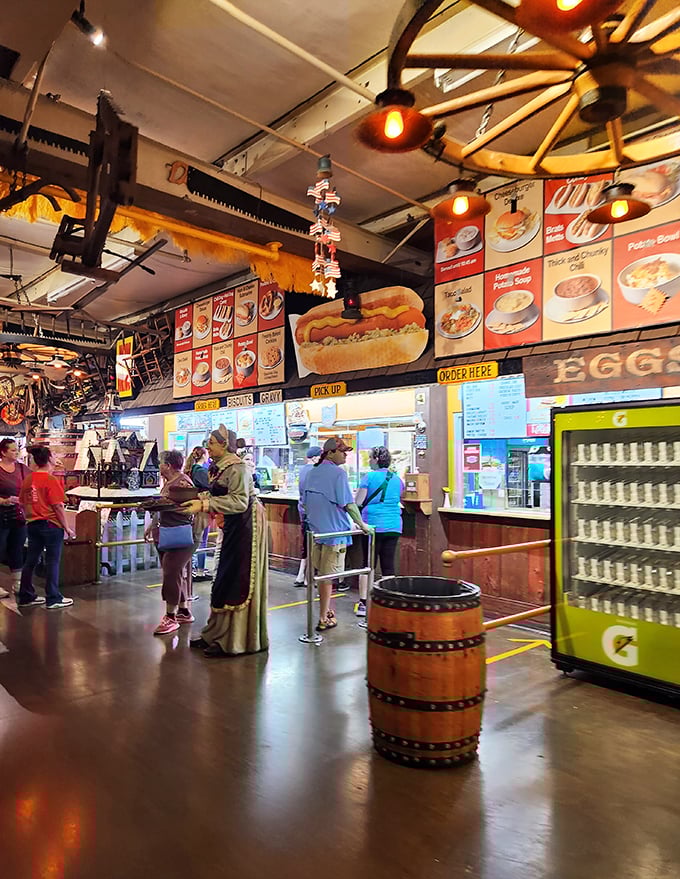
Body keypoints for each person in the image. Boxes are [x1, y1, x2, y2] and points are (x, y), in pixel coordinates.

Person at [181, 425, 268, 658]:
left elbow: (239, 502)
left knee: (238, 578)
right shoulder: (220, 467)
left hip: (246, 526)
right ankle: (216, 632)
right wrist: (197, 499)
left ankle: (234, 640)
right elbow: (218, 494)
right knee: (223, 576)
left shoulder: (237, 468)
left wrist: (204, 504)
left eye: (211, 442)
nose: (207, 446)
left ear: (224, 445)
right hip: (232, 525)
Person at [302, 436, 371, 632]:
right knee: (328, 578)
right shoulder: (338, 474)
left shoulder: (311, 472)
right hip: (334, 535)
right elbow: (349, 504)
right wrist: (362, 525)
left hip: (316, 533)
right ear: (331, 452)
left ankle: (327, 611)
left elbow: (305, 503)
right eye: (343, 452)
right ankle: (323, 617)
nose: (346, 456)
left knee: (321, 577)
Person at [17, 444, 76, 610]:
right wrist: (67, 528)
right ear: (49, 459)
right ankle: (53, 597)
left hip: (32, 524)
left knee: (31, 560)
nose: (56, 457)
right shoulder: (50, 480)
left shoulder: (28, 479)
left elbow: (22, 503)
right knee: (52, 561)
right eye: (54, 455)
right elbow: (58, 506)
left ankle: (25, 595)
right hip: (51, 525)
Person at [145, 450, 196, 635]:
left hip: (179, 535)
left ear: (167, 465)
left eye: (160, 463)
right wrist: (151, 526)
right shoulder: (168, 483)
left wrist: (163, 506)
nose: (158, 466)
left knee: (171, 571)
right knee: (173, 573)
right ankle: (183, 611)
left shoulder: (183, 483)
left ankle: (170, 616)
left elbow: (187, 509)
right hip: (165, 534)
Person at [354, 446, 404, 617]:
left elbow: (358, 502)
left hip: (372, 526)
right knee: (388, 565)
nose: (369, 461)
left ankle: (363, 603)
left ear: (376, 459)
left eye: (370, 458)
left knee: (367, 565)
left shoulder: (369, 477)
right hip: (394, 525)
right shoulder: (397, 479)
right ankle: (388, 603)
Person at [0, 438, 30, 598]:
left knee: (17, 547)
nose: (16, 452)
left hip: (18, 514)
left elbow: (33, 481)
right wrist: (3, 501)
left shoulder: (21, 468)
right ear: (3, 452)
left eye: (16, 449)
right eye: (12, 450)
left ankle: (17, 583)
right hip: (1, 515)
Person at [294, 446, 322, 587]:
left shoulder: (303, 470)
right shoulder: (315, 471)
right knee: (313, 544)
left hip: (303, 511)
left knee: (306, 543)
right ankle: (308, 577)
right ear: (316, 458)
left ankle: (301, 576)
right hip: (313, 511)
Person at [185, 446, 211, 581]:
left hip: (194, 508)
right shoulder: (201, 471)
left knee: (196, 538)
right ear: (204, 456)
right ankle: (198, 570)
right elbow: (210, 487)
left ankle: (193, 569)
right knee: (201, 540)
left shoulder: (191, 470)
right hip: (202, 508)